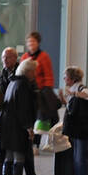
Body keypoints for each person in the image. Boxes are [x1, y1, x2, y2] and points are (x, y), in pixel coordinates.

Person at [0, 58, 39, 175]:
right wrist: (29, 128)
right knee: (19, 158)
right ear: (28, 72)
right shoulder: (23, 86)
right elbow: (24, 110)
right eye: (34, 71)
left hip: (7, 127)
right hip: (18, 128)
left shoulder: (12, 83)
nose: (35, 74)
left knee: (9, 158)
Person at [57, 67, 88, 175]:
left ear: (73, 79)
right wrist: (64, 98)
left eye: (66, 77)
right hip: (77, 130)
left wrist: (73, 94)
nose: (64, 79)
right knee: (77, 160)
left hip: (82, 130)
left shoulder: (80, 89)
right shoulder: (74, 90)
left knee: (81, 160)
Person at [21, 29, 58, 167]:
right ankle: (31, 143)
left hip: (41, 92)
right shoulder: (25, 57)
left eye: (33, 41)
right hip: (28, 92)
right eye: (29, 41)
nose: (31, 44)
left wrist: (46, 89)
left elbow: (48, 75)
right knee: (30, 118)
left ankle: (36, 143)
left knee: (41, 118)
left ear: (38, 43)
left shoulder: (44, 57)